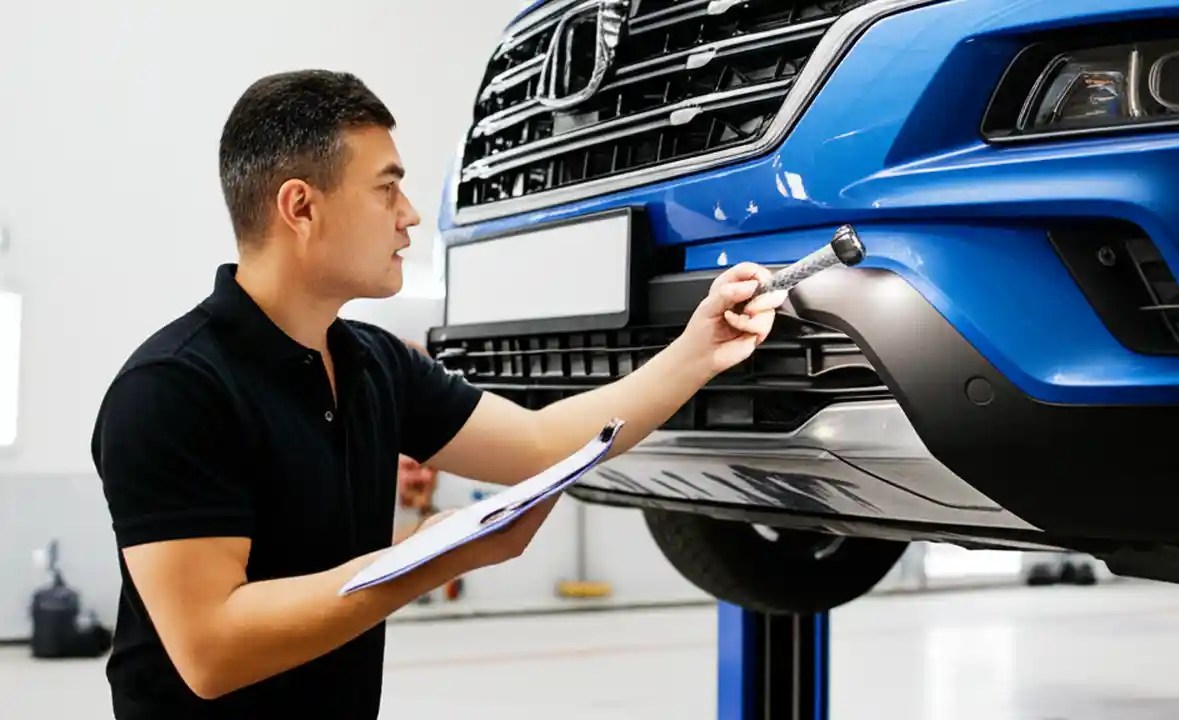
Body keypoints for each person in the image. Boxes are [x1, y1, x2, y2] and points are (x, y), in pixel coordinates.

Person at [90, 69, 784, 719]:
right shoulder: (173, 391)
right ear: (301, 206)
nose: (411, 215)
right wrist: (429, 558)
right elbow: (211, 649)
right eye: (386, 188)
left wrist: (697, 352)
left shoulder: (375, 363)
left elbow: (538, 444)